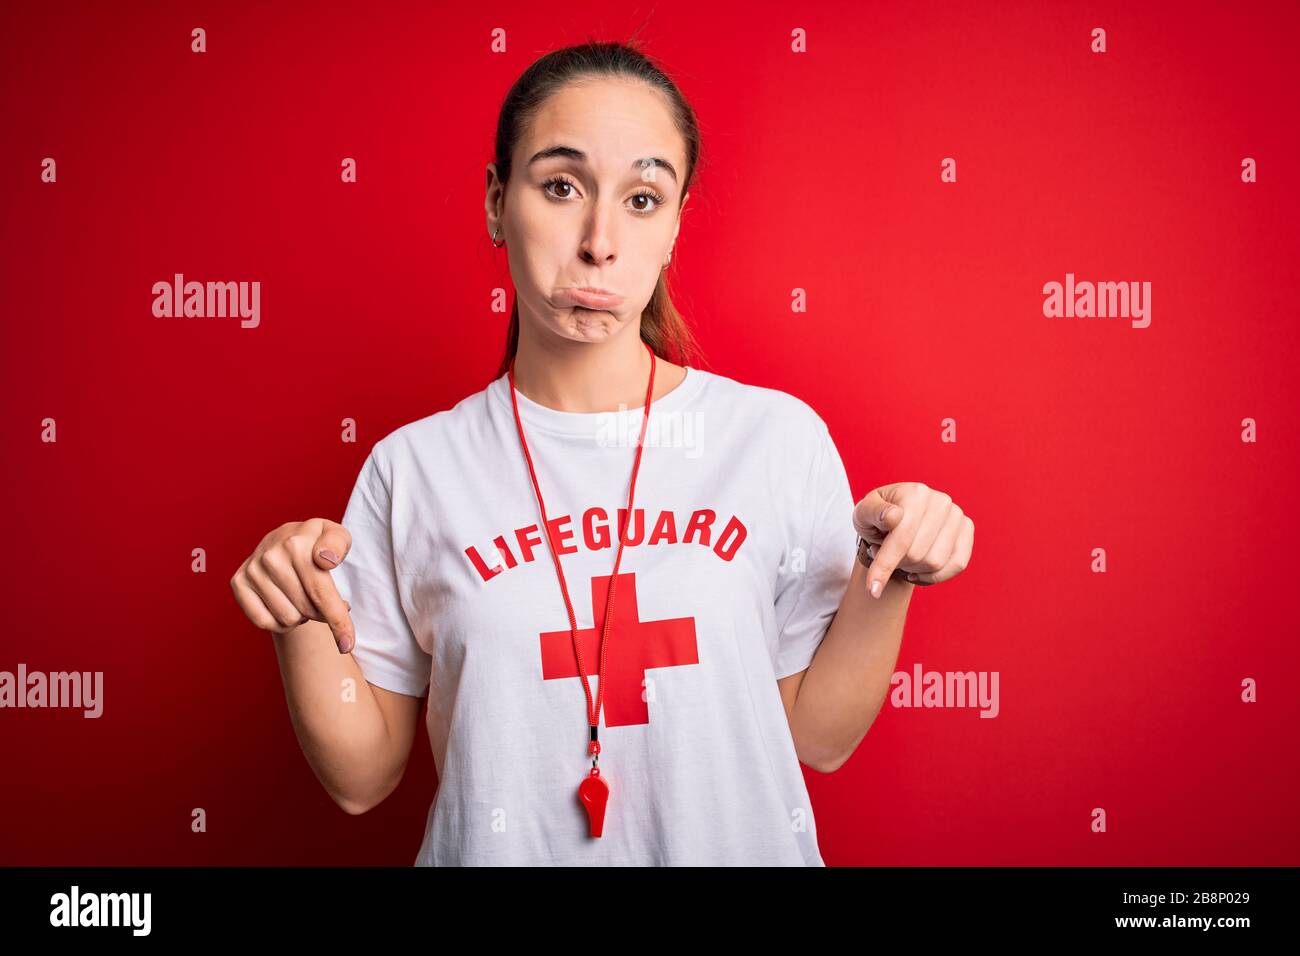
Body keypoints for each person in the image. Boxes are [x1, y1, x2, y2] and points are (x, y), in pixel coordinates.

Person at [230, 40, 974, 866]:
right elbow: (362, 777)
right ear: (494, 201)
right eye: (559, 187)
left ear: (676, 225)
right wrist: (296, 610)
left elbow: (820, 738)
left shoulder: (774, 439)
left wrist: (892, 567)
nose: (599, 241)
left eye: (643, 198)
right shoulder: (413, 469)